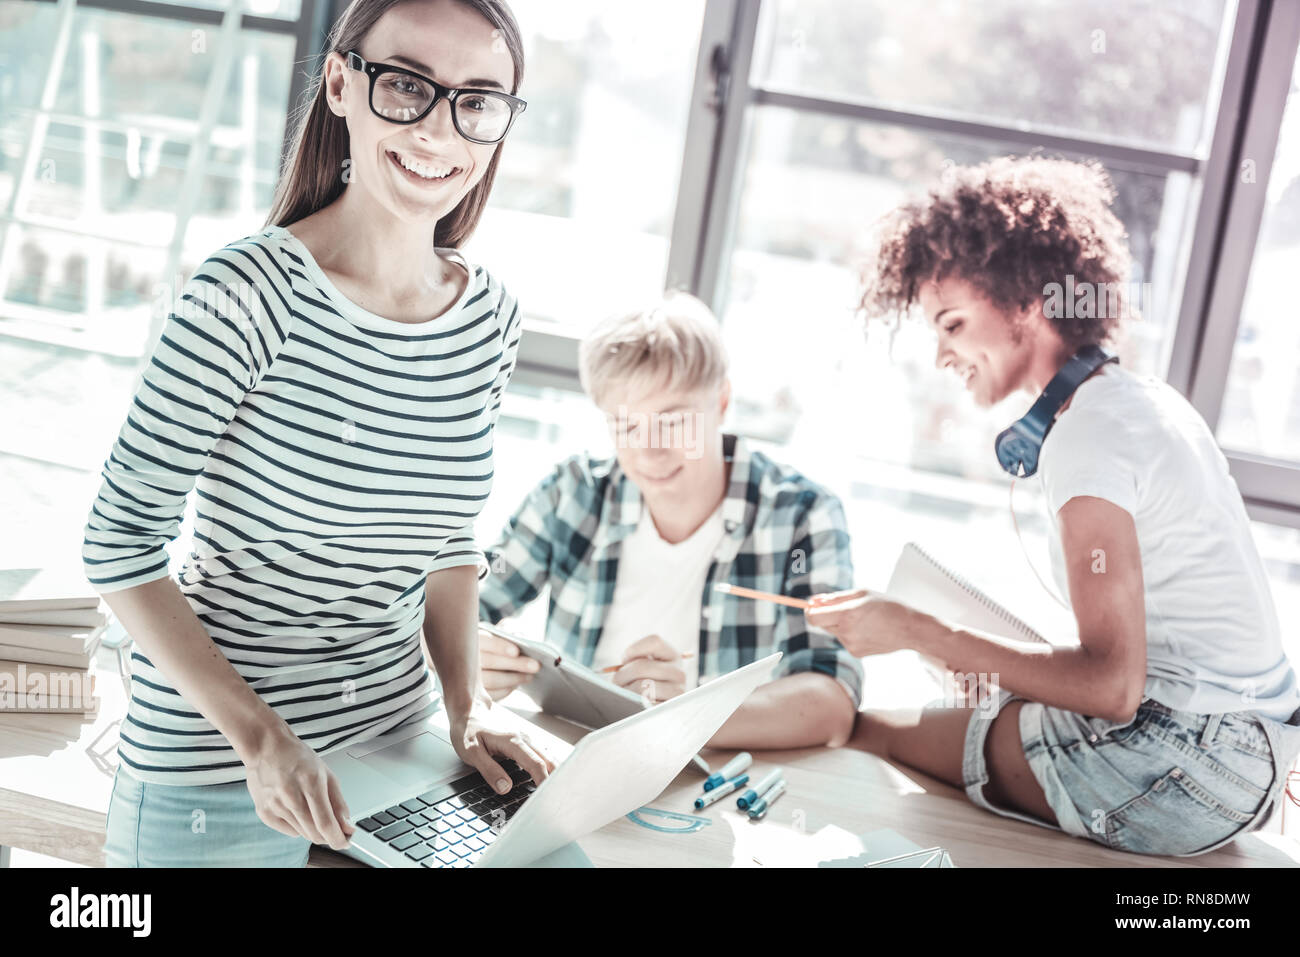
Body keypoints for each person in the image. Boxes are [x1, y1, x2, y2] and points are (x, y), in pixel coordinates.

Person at [83, 0, 553, 867]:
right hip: (221, 775)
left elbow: (448, 543)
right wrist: (263, 740)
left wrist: (468, 703)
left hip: (397, 760)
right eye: (408, 86)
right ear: (341, 82)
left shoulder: (489, 318)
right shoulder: (244, 294)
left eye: (478, 100)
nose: (440, 130)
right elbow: (119, 542)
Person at [807, 155, 1300, 856]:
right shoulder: (1138, 403)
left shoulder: (1087, 434)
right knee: (969, 707)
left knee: (873, 724)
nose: (943, 355)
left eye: (951, 323)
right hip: (1256, 758)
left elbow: (1111, 686)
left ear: (1028, 303)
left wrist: (918, 629)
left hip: (1184, 758)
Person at [476, 292, 863, 749]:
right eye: (626, 426)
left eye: (673, 422)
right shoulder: (573, 494)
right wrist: (471, 656)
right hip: (574, 761)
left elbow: (831, 700)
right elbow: (466, 606)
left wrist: (689, 714)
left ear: (721, 402)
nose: (648, 452)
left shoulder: (802, 515)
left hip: (716, 787)